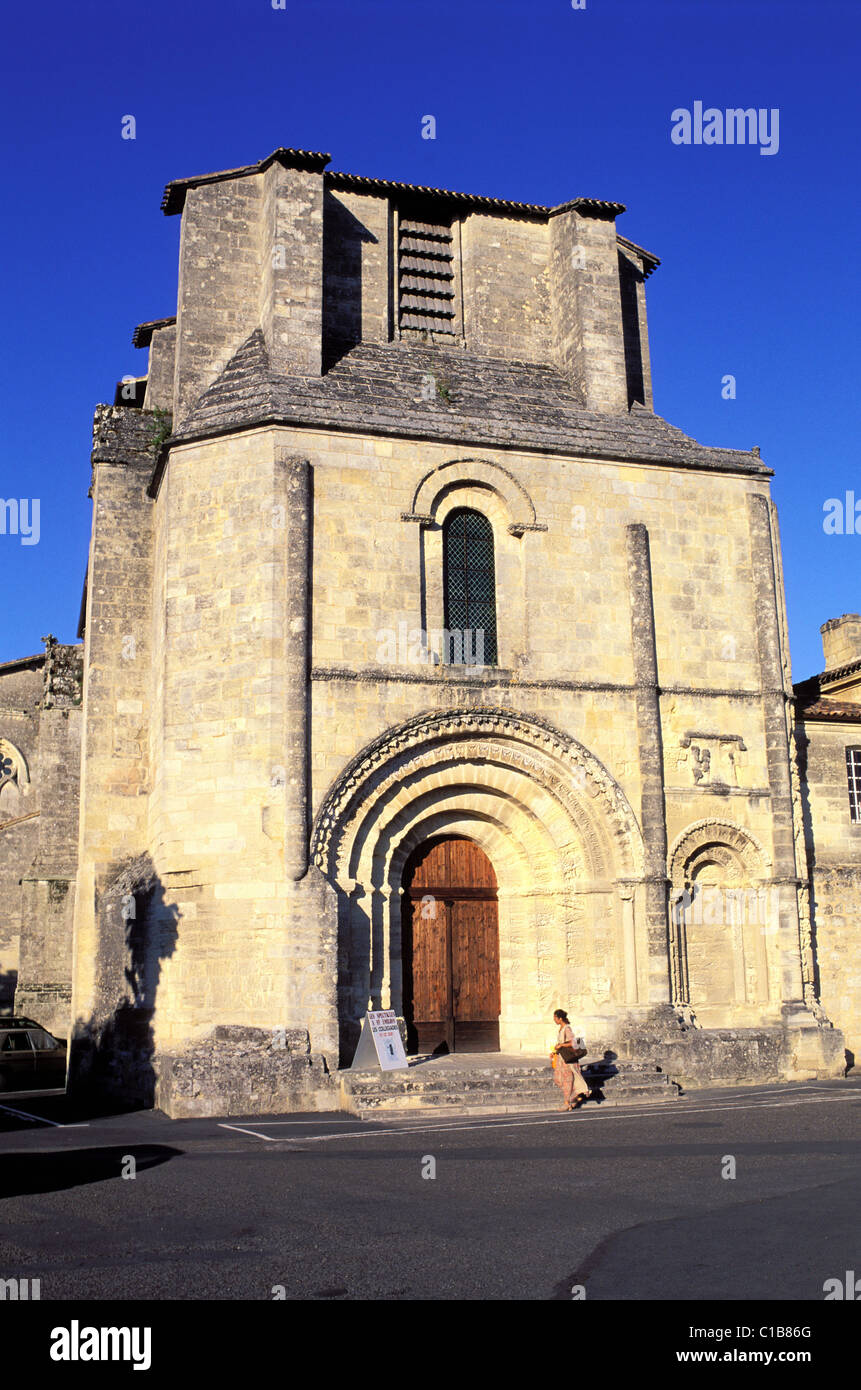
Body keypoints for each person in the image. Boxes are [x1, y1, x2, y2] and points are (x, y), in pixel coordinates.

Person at [550, 1008, 590, 1111]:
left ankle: (567, 1103)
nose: (554, 1020)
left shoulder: (567, 1029)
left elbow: (574, 1043)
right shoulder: (561, 1028)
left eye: (555, 1017)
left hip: (567, 1061)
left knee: (567, 1081)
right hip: (561, 1059)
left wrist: (561, 1045)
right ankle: (575, 1096)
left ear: (560, 1018)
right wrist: (555, 1052)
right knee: (558, 1079)